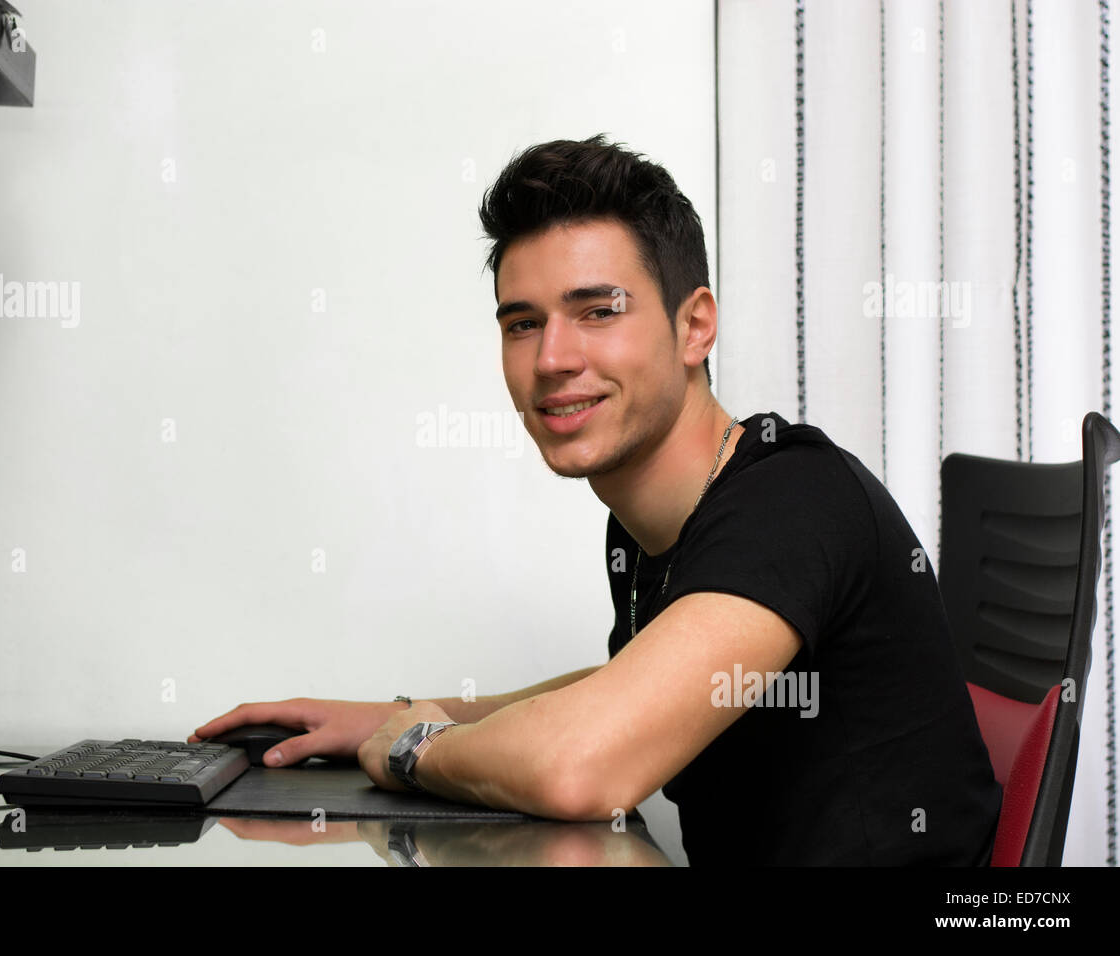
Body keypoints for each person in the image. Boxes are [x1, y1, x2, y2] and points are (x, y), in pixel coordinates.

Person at [191, 134, 1003, 865]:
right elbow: (633, 682)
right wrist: (397, 713)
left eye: (597, 311)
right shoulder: (659, 521)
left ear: (696, 327)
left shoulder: (793, 501)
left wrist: (414, 747)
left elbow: (580, 764)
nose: (552, 358)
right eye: (521, 323)